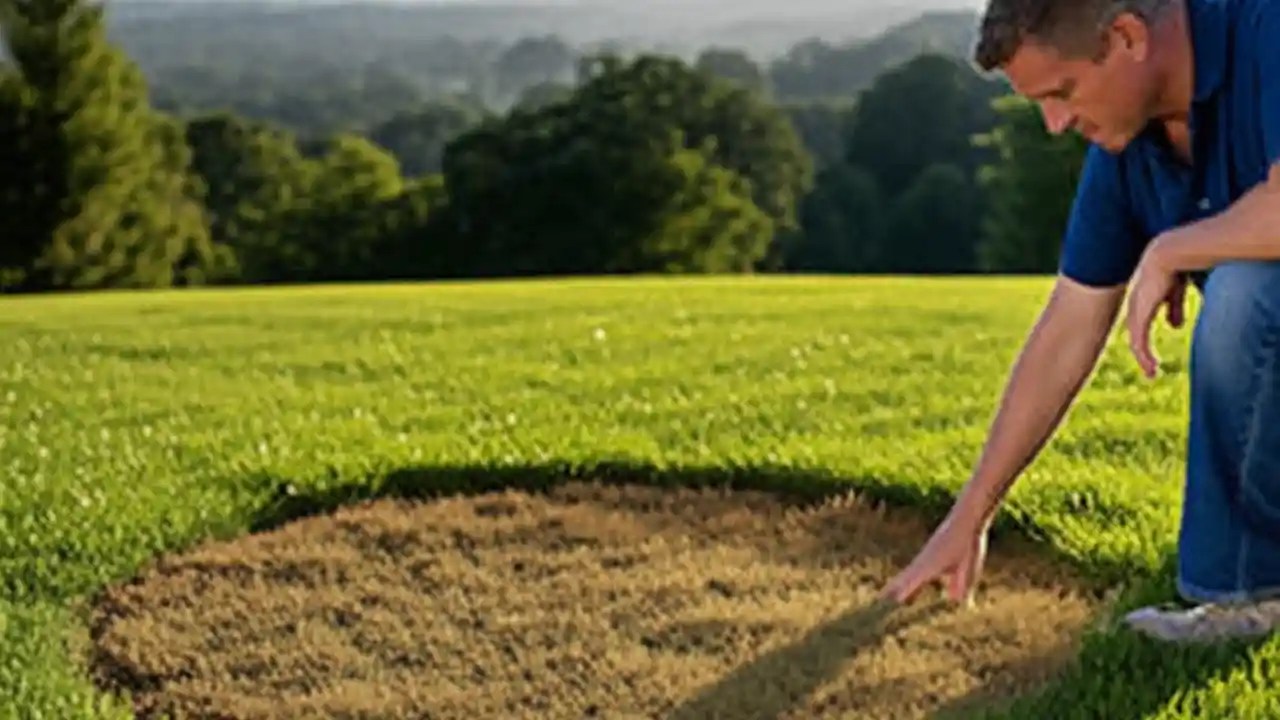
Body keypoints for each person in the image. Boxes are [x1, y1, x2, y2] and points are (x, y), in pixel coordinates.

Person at [881, 0, 1280, 643]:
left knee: (1244, 293)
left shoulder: (1266, 27)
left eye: (1062, 92)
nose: (1055, 124)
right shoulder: (1129, 145)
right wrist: (971, 516)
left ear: (1125, 36)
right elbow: (1069, 323)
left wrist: (1173, 248)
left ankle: (1245, 601)